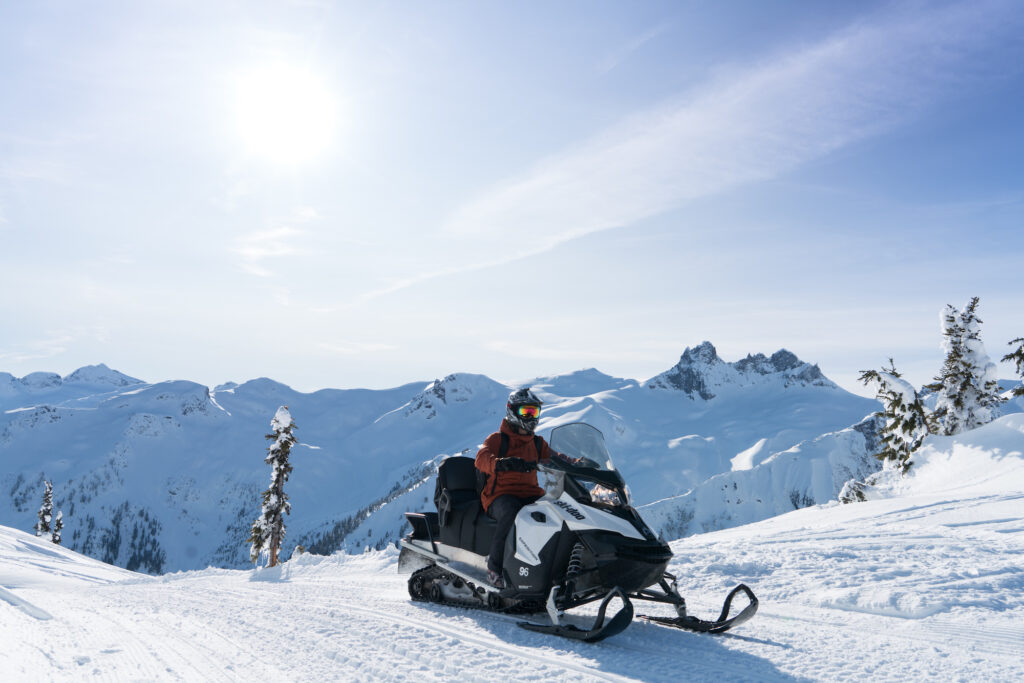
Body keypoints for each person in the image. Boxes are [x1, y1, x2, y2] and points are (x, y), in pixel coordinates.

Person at [474, 387, 575, 588]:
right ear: (512, 411)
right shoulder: (497, 440)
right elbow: (481, 459)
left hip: (530, 495)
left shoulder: (537, 443)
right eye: (526, 412)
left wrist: (577, 463)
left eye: (534, 412)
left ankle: (548, 567)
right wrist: (500, 463)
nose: (531, 417)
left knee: (558, 511)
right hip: (499, 497)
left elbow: (556, 458)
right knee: (512, 513)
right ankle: (494, 570)